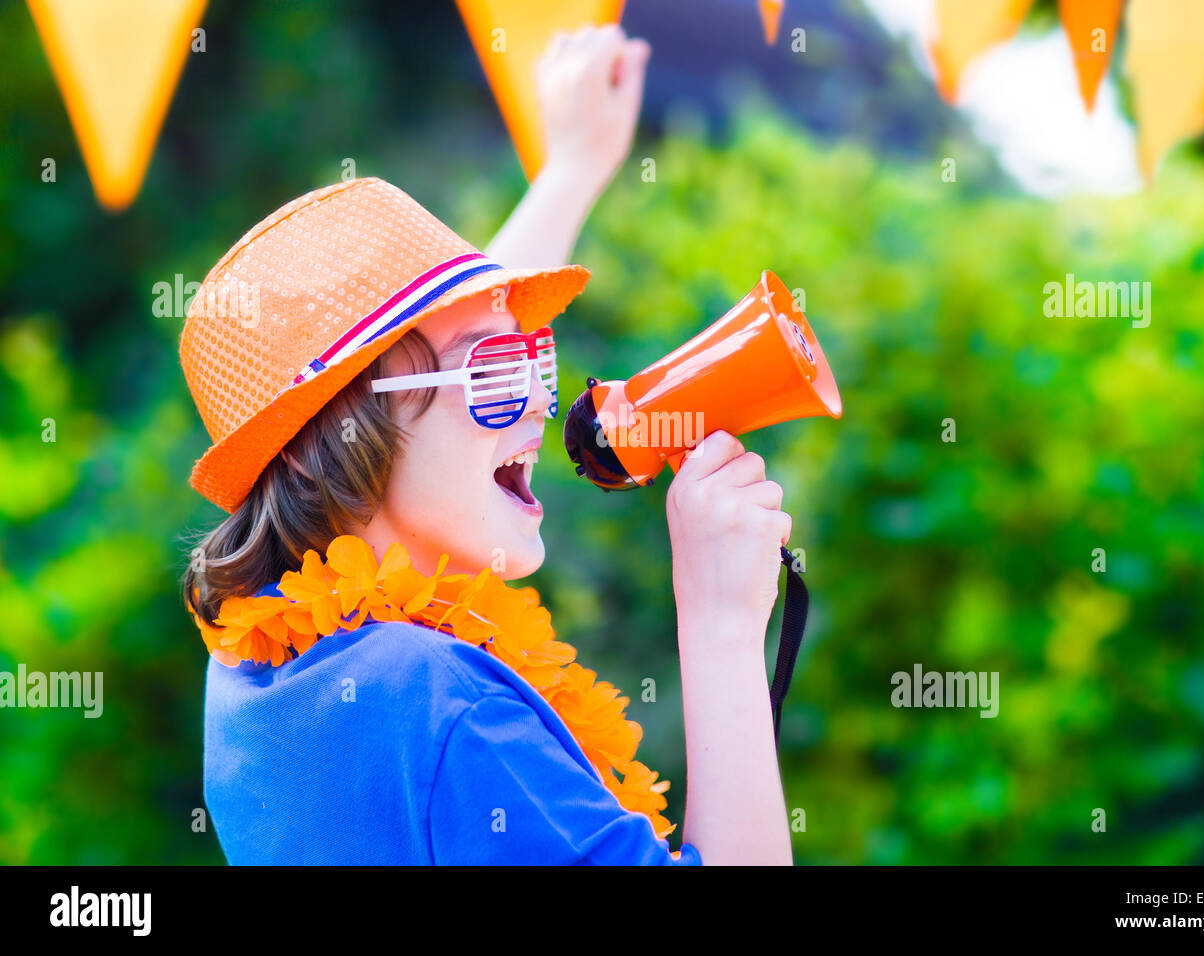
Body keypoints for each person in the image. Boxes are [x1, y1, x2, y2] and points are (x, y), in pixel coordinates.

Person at [181, 25, 793, 865]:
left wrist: (573, 169)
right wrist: (723, 624)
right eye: (499, 372)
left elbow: (430, 372)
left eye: (535, 361)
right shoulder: (442, 706)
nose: (541, 405)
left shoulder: (259, 685)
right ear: (333, 439)